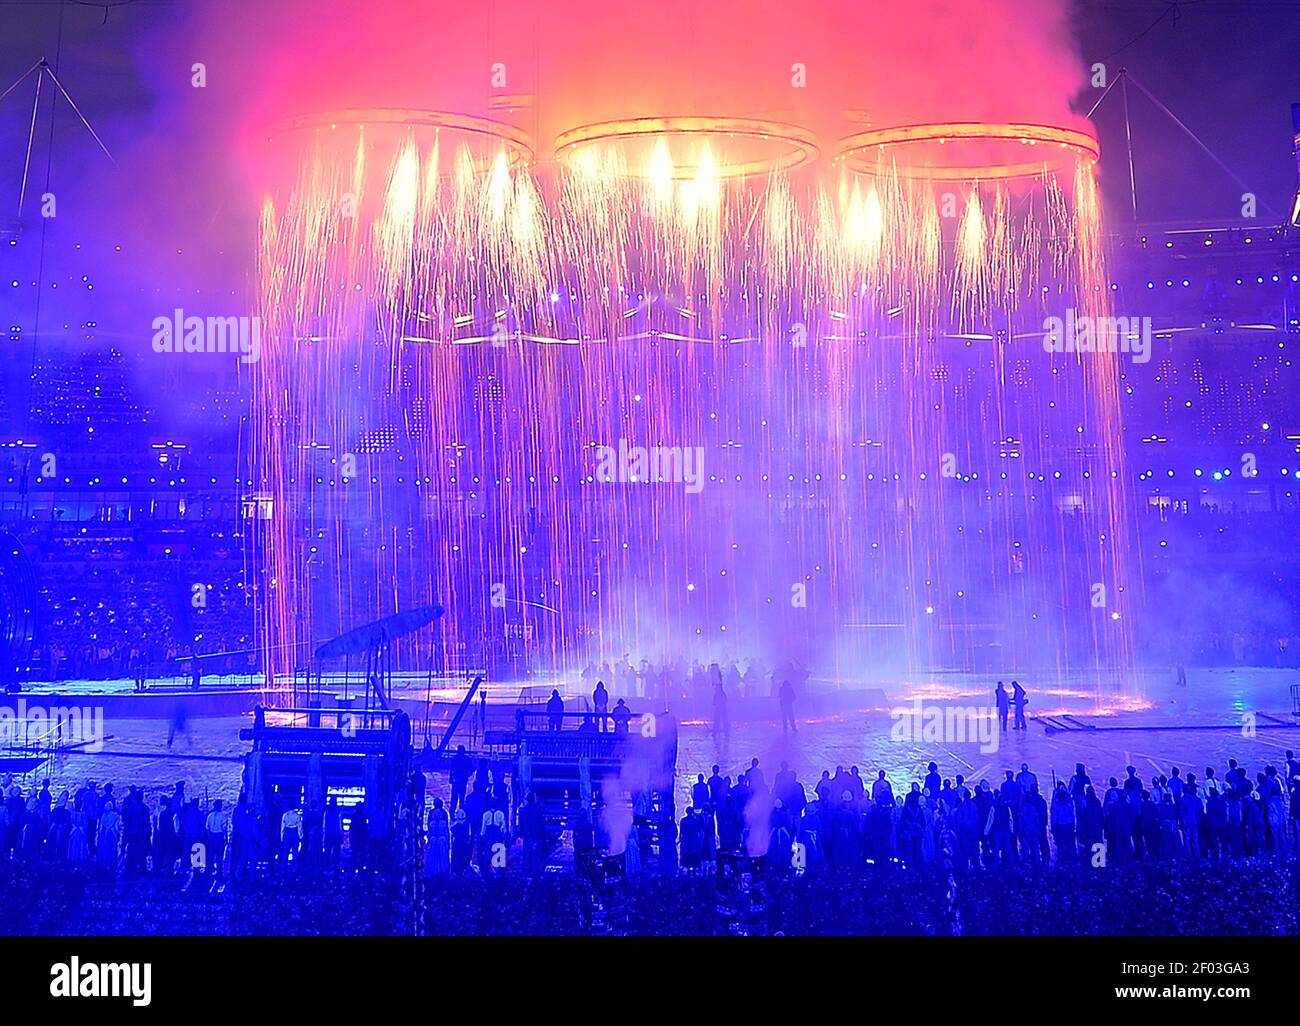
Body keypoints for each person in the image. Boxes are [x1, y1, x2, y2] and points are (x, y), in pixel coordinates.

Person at [449, 745, 472, 815]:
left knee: (459, 798)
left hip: (460, 780)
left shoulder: (465, 759)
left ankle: (458, 813)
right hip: (458, 781)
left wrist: (467, 775)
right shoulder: (456, 758)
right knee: (456, 798)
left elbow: (472, 768)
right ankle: (454, 813)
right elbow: (451, 769)